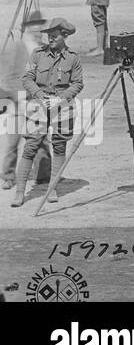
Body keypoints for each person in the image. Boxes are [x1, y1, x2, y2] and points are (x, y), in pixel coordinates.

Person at [13, 18, 84, 206]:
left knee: (59, 146)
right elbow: (27, 78)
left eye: (54, 36)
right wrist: (39, 94)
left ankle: (51, 189)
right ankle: (20, 193)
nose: (50, 39)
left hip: (63, 107)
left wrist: (61, 99)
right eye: (49, 36)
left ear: (64, 36)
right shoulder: (38, 54)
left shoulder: (73, 57)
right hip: (38, 105)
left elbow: (78, 83)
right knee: (30, 147)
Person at [2, 10, 46, 191]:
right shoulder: (17, 47)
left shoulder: (45, 49)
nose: (38, 31)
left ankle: (44, 176)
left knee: (41, 141)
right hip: (20, 101)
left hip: (37, 103)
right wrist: (19, 97)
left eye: (40, 29)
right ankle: (7, 176)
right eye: (34, 28)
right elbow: (10, 77)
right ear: (26, 28)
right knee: (14, 141)